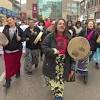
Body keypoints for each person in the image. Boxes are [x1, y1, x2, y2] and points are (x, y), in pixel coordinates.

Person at [42, 18, 75, 100]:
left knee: (60, 86)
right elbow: (44, 46)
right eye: (60, 23)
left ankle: (58, 96)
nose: (62, 25)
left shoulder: (69, 37)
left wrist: (72, 68)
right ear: (56, 26)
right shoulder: (50, 36)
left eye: (63, 24)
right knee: (54, 82)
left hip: (64, 65)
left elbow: (72, 53)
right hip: (52, 64)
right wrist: (52, 51)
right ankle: (55, 91)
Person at [2, 16, 25, 89]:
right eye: (8, 20)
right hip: (7, 51)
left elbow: (24, 37)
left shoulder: (19, 29)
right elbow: (2, 38)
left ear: (14, 21)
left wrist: (20, 38)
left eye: (10, 20)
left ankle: (17, 72)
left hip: (17, 51)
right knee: (8, 66)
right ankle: (8, 80)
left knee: (17, 63)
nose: (9, 21)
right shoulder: (5, 29)